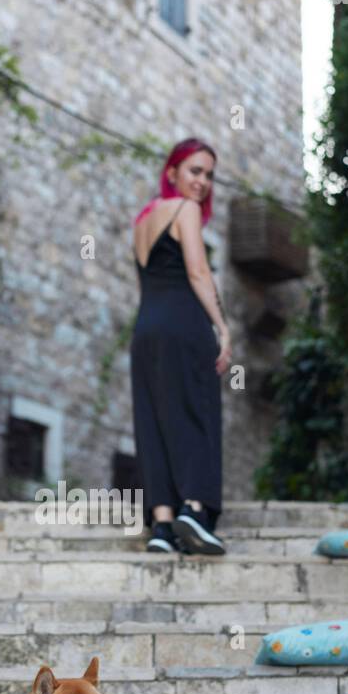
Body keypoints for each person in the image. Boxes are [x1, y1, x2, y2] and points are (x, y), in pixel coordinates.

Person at [131, 138, 232, 555]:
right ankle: (194, 509)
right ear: (172, 173)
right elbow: (197, 271)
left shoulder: (142, 221)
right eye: (195, 171)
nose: (203, 182)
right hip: (184, 323)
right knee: (196, 411)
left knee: (154, 421)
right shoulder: (185, 210)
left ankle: (162, 526)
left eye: (209, 175)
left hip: (146, 330)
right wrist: (223, 326)